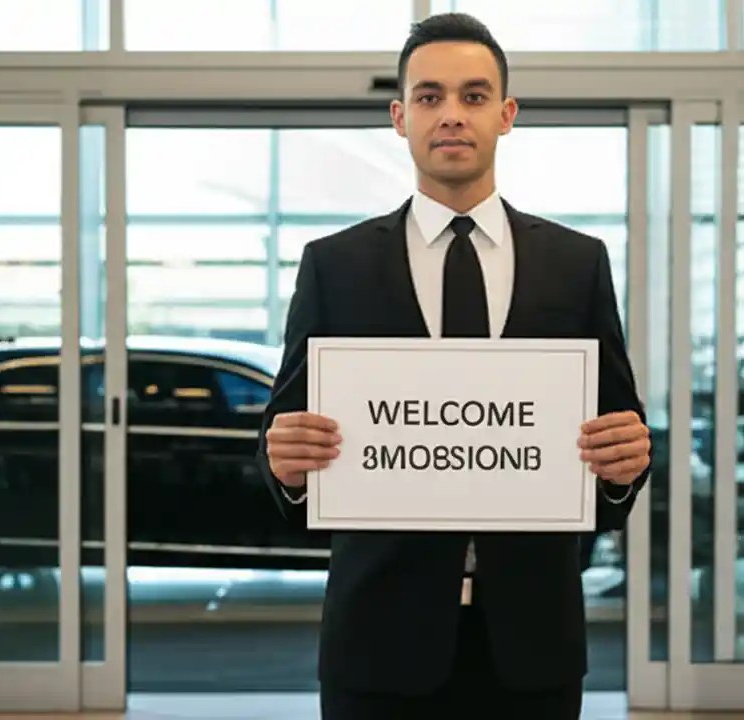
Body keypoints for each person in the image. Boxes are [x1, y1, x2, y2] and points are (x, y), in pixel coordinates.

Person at [257, 12, 651, 719]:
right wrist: (282, 461)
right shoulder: (335, 265)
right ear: (400, 117)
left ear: (506, 115)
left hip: (532, 643)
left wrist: (625, 465)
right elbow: (284, 437)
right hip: (378, 641)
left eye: (473, 96)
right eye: (429, 96)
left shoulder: (576, 264)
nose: (451, 115)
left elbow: (616, 436)